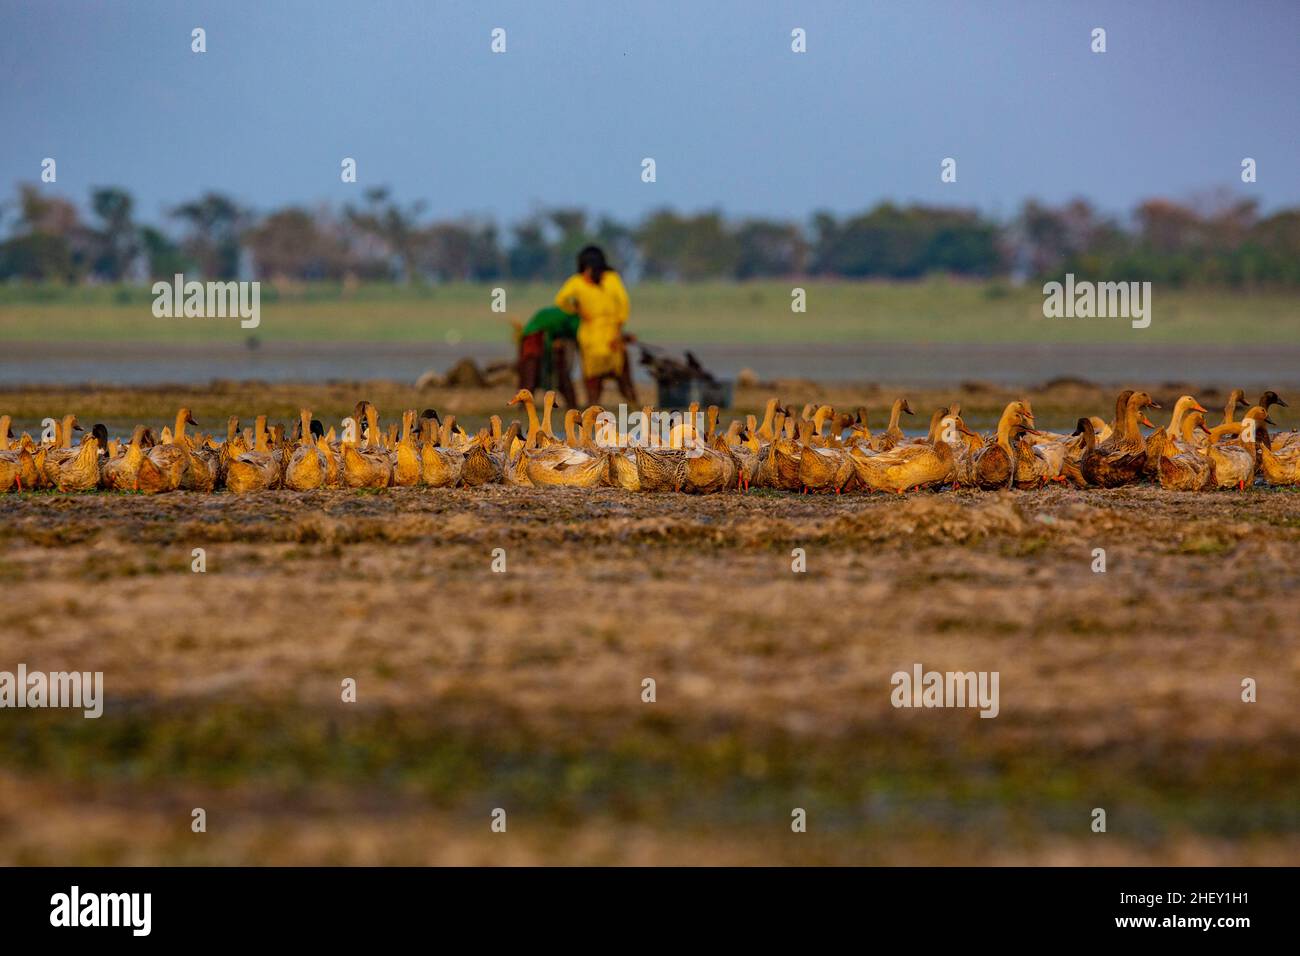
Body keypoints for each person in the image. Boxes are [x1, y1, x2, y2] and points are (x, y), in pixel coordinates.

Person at [553, 245, 638, 405]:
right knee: (597, 383)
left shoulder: (609, 278)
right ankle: (594, 413)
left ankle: (632, 409)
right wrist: (578, 310)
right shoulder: (581, 281)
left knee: (616, 380)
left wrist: (618, 329)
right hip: (595, 335)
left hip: (607, 334)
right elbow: (561, 300)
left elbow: (623, 304)